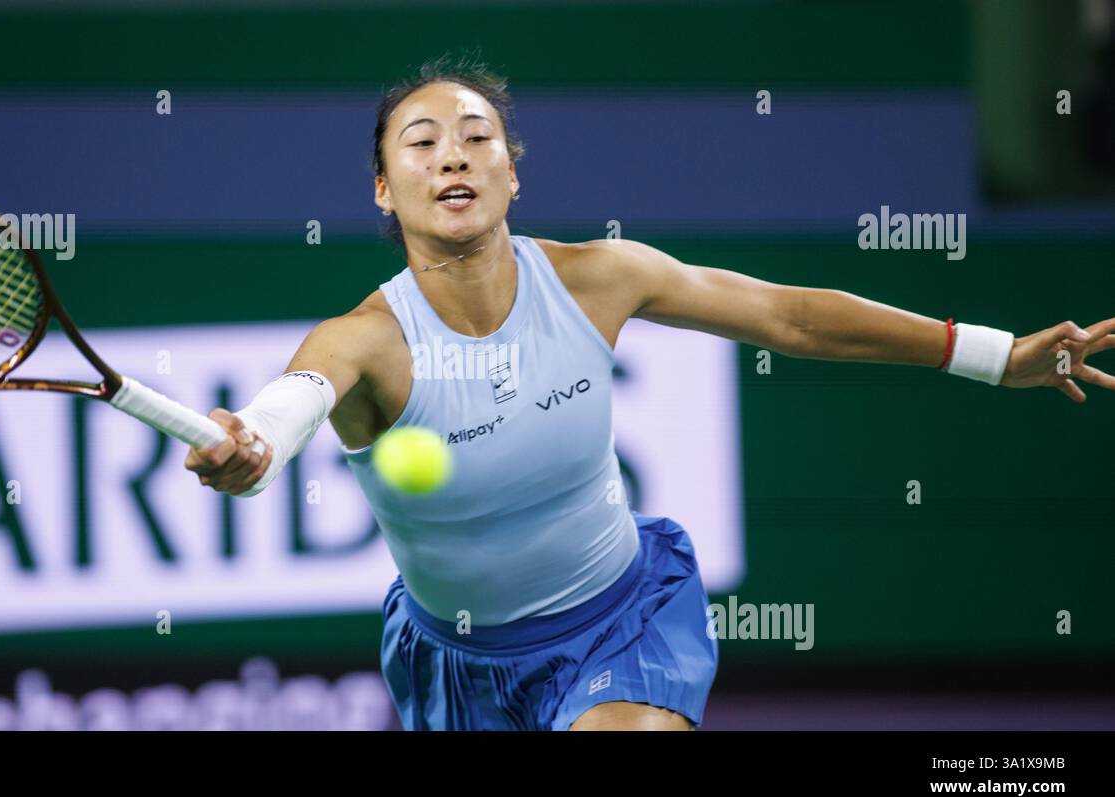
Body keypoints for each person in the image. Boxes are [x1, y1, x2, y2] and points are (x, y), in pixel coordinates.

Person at [184, 55, 1115, 731]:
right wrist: (251, 449)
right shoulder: (365, 341)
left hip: (623, 617)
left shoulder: (601, 278)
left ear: (513, 170)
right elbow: (289, 405)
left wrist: (995, 355)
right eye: (422, 144)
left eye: (478, 138)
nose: (454, 157)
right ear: (386, 191)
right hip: (452, 663)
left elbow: (788, 315)